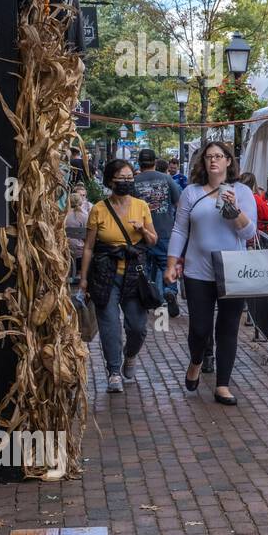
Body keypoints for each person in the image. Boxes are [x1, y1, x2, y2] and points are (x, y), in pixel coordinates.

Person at [166, 141, 259, 406]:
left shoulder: (242, 192)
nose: (213, 161)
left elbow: (249, 233)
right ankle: (196, 360)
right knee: (200, 327)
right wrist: (171, 263)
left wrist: (234, 210)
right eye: (208, 157)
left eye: (219, 156)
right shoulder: (191, 192)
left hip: (233, 270)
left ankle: (222, 385)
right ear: (202, 162)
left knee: (227, 328)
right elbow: (179, 230)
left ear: (229, 161)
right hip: (198, 271)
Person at [79, 159, 158, 393]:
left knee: (138, 327)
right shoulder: (99, 209)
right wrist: (83, 279)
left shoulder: (141, 206)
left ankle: (130, 355)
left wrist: (142, 230)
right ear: (110, 180)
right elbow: (88, 247)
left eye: (129, 177)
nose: (125, 182)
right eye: (120, 178)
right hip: (105, 274)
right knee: (109, 326)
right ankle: (114, 371)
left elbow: (153, 240)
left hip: (135, 273)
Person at [133, 149, 184, 318]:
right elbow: (179, 203)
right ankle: (170, 290)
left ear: (139, 163)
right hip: (164, 230)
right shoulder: (167, 179)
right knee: (166, 265)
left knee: (144, 268)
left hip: (141, 233)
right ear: (155, 162)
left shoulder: (134, 181)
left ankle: (149, 297)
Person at [65, 183, 90, 278]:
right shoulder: (85, 215)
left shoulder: (63, 215)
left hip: (65, 247)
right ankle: (80, 273)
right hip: (80, 250)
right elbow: (86, 235)